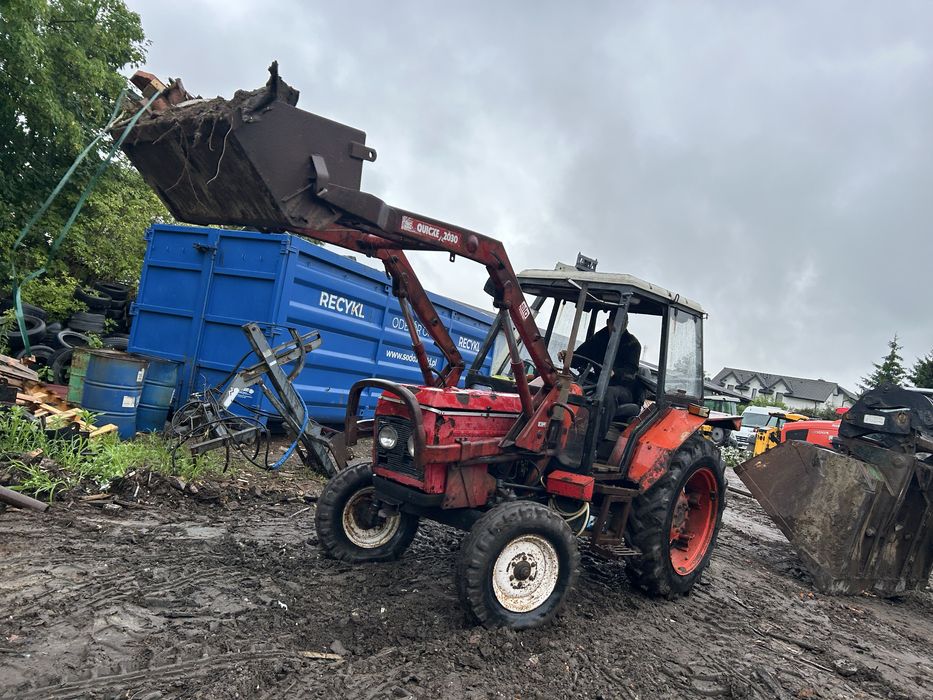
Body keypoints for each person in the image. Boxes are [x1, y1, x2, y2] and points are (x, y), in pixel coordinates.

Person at [559, 310, 643, 437]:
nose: (618, 327)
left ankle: (594, 441)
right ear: (608, 322)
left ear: (626, 324)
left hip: (623, 388)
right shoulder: (599, 338)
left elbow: (631, 372)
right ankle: (566, 430)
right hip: (598, 382)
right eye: (615, 323)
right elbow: (581, 356)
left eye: (623, 323)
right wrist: (568, 356)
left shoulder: (632, 344)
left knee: (607, 394)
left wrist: (615, 372)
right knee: (571, 388)